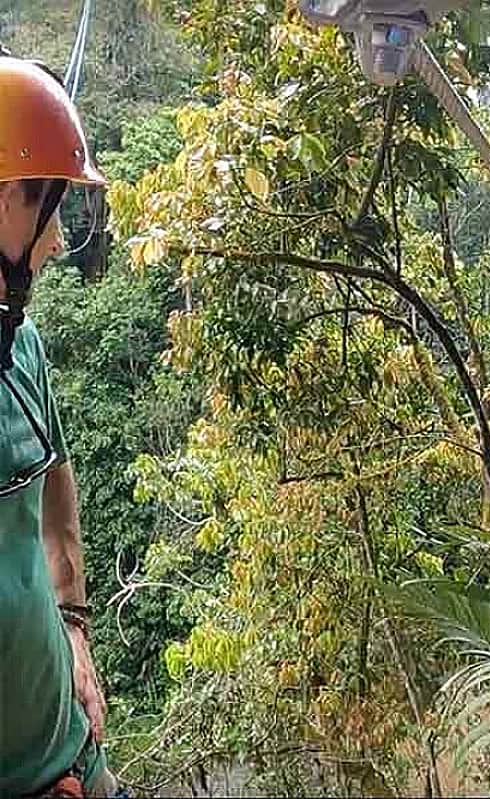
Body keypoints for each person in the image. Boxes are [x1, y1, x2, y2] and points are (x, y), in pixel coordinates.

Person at [0, 56, 119, 797]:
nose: (54, 244)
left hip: (74, 755)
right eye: (49, 212)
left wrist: (75, 625)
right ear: (7, 199)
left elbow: (56, 497)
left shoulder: (24, 346)